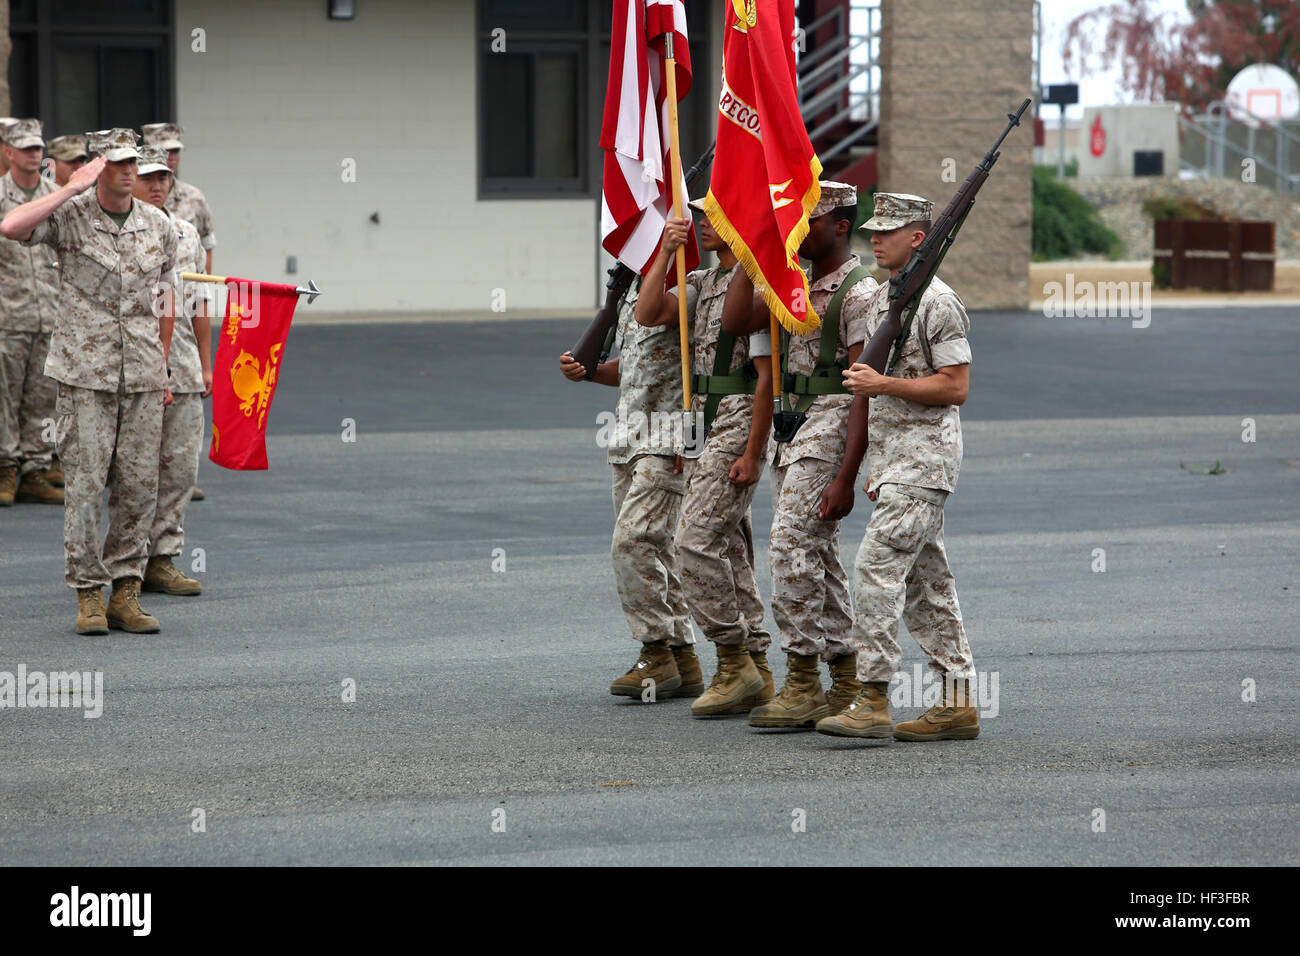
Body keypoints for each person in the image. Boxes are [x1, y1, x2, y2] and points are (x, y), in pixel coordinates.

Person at [1, 128, 177, 636]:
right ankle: (88, 595)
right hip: (85, 377)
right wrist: (72, 186)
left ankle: (126, 590)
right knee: (85, 484)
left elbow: (167, 296)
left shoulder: (158, 225)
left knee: (140, 486)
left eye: (133, 163)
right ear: (100, 165)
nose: (128, 171)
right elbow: (12, 226)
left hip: (142, 374)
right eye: (118, 163)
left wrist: (162, 364)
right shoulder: (72, 217)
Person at [816, 192, 979, 741]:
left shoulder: (937, 301)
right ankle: (957, 701)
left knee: (874, 572)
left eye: (889, 230)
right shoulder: (890, 297)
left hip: (924, 463)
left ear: (919, 238)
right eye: (874, 229)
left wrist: (883, 384)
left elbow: (955, 386)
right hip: (898, 464)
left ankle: (872, 697)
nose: (875, 239)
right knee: (928, 585)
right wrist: (872, 464)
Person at [732, 182, 877, 729]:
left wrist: (847, 474)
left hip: (832, 423)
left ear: (840, 224)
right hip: (793, 423)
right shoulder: (793, 282)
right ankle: (843, 675)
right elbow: (734, 323)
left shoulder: (859, 293)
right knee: (816, 552)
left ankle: (801, 678)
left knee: (790, 543)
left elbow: (863, 387)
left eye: (806, 223)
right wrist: (755, 253)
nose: (797, 233)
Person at [637, 203, 776, 717]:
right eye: (700, 216)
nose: (702, 222)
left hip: (739, 416)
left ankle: (731, 655)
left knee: (692, 542)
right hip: (702, 418)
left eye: (715, 215)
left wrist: (754, 451)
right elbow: (648, 313)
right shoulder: (702, 280)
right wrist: (665, 253)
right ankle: (756, 663)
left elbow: (766, 375)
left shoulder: (755, 279)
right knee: (729, 545)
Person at [558, 278, 704, 700]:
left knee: (632, 542)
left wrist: (690, 439)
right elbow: (637, 365)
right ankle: (681, 656)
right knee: (658, 548)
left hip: (668, 436)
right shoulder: (633, 288)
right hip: (628, 437)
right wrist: (586, 372)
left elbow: (688, 352)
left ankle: (654, 650)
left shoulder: (686, 286)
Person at [133, 145, 211, 596]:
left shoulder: (185, 234)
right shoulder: (108, 233)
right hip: (133, 369)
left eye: (163, 178)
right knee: (135, 471)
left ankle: (161, 559)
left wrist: (206, 365)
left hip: (181, 366)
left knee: (180, 468)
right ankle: (126, 561)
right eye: (148, 178)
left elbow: (200, 303)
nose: (159, 186)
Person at [0, 119, 63, 507]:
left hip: (49, 316)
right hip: (8, 316)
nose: (35, 154)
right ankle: (6, 466)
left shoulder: (56, 197)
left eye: (38, 148)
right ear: (8, 152)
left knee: (44, 397)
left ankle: (36, 469)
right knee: (4, 396)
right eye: (26, 149)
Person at [141, 124, 214, 272]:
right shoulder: (130, 197)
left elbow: (206, 246)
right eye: (166, 151)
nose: (171, 157)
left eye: (176, 151)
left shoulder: (194, 198)